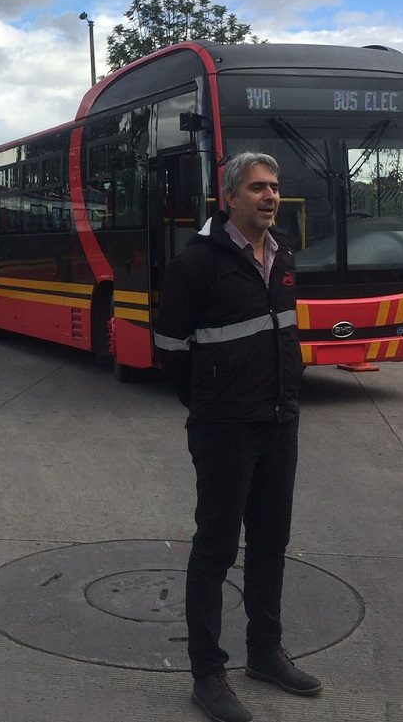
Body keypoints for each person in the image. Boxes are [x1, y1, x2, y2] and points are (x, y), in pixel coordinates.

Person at [154, 152, 320, 722]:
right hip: (225, 427)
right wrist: (211, 405)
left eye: (274, 187)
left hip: (280, 421)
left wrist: (288, 396)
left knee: (271, 542)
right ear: (229, 198)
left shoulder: (283, 258)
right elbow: (170, 351)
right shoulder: (197, 264)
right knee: (217, 548)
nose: (269, 197)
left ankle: (265, 653)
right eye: (257, 188)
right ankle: (207, 674)